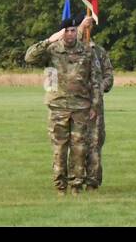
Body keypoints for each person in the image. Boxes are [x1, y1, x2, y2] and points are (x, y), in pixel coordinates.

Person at [24, 16, 100, 193]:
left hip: (81, 107)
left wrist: (94, 106)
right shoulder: (52, 51)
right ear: (61, 33)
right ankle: (60, 185)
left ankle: (76, 185)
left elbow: (95, 80)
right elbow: (29, 57)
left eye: (73, 30)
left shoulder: (87, 51)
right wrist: (50, 39)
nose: (71, 34)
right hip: (58, 106)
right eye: (67, 31)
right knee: (59, 148)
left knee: (79, 148)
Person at [83, 20, 114, 189]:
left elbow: (109, 76)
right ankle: (75, 180)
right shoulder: (68, 51)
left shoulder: (99, 52)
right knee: (76, 143)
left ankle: (93, 181)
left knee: (94, 142)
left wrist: (97, 88)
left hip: (95, 106)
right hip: (74, 104)